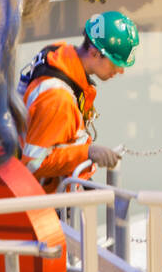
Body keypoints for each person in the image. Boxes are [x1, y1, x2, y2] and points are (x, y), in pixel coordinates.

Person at [17, 11, 139, 191]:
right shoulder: (58, 98)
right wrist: (87, 153)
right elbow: (34, 164)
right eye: (115, 63)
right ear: (94, 53)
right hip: (46, 203)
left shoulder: (60, 53)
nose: (120, 71)